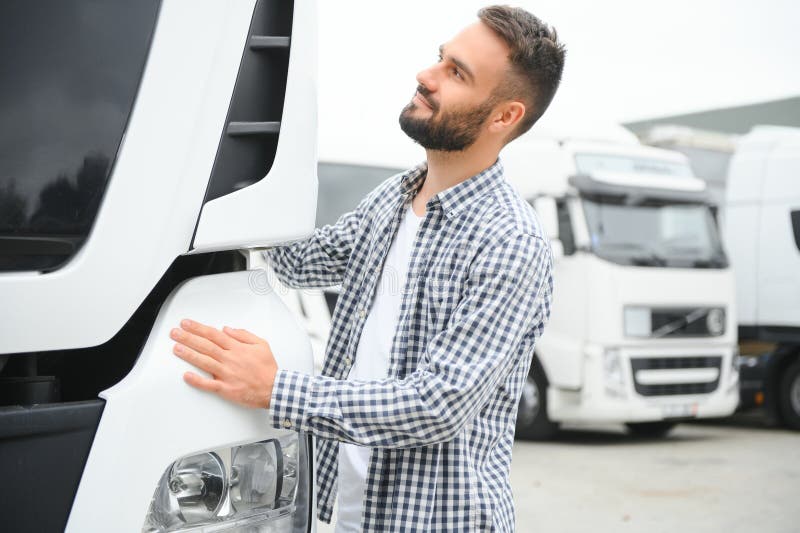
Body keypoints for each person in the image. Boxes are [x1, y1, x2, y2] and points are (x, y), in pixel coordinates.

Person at [171, 5, 565, 531]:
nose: (426, 77)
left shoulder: (511, 241)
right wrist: (231, 164)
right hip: (345, 516)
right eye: (440, 59)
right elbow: (298, 261)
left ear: (504, 116)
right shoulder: (392, 200)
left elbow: (437, 404)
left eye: (457, 73)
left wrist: (276, 387)